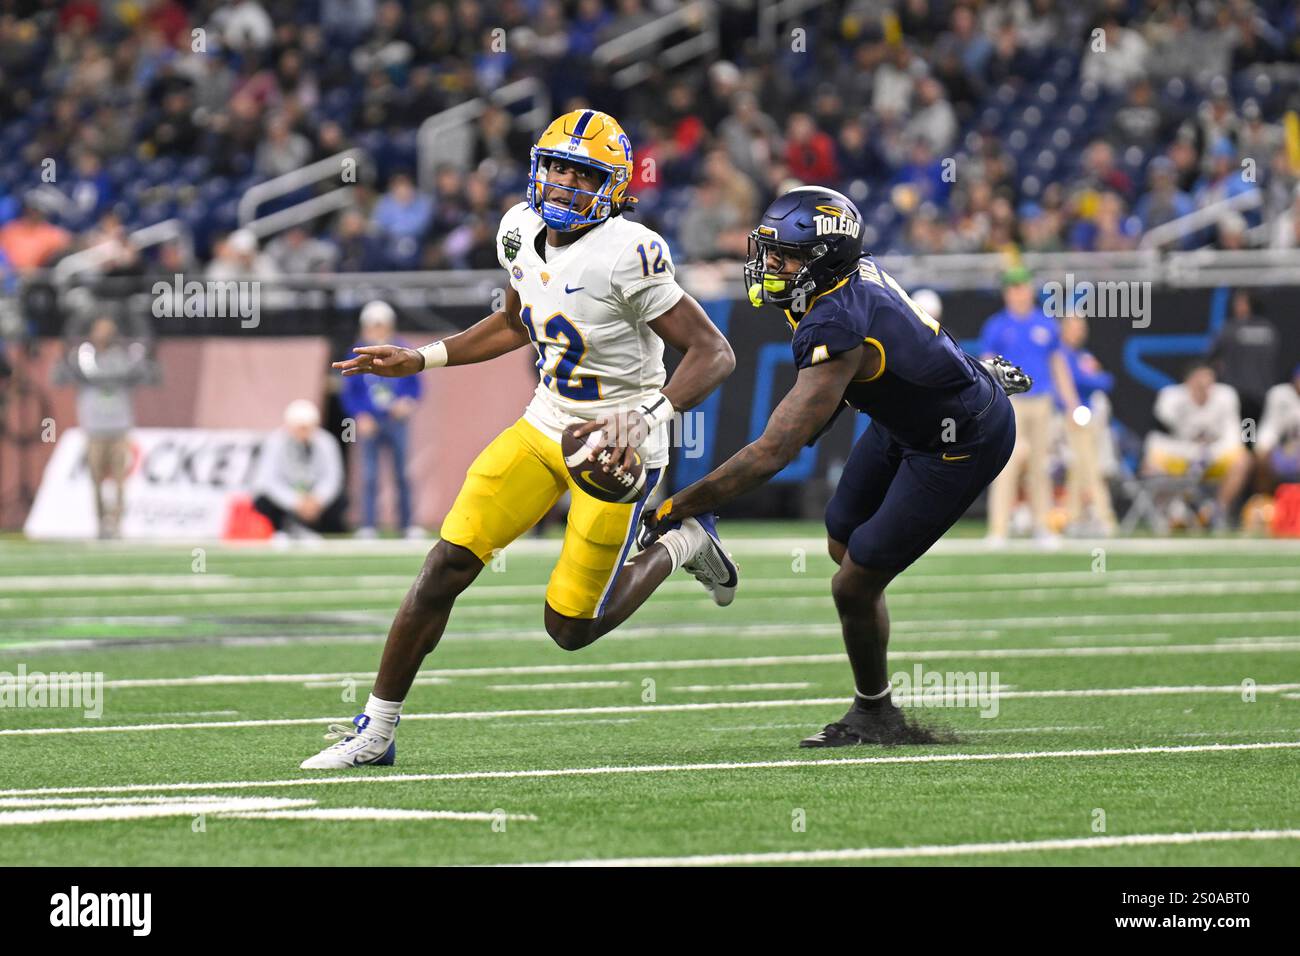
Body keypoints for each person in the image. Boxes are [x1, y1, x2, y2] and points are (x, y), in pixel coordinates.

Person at [301, 109, 735, 770]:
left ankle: (683, 541)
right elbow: (513, 324)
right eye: (556, 167)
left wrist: (646, 416)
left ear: (614, 186)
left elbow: (714, 353)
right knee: (445, 566)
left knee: (569, 628)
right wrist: (421, 358)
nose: (563, 183)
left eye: (581, 173)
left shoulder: (631, 251)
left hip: (616, 444)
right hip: (544, 423)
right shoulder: (518, 229)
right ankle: (377, 730)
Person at [643, 186, 1028, 748]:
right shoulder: (838, 285)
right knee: (841, 538)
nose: (770, 266)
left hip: (961, 440)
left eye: (785, 256)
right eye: (769, 252)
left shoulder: (838, 320)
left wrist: (678, 506)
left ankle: (875, 712)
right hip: (907, 419)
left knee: (853, 584)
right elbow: (897, 348)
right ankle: (975, 376)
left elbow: (774, 450)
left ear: (823, 259)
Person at [978, 266, 1081, 544]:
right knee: (1006, 464)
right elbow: (987, 365)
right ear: (1006, 293)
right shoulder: (996, 325)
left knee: (1040, 465)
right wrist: (989, 401)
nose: (1017, 293)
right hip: (1011, 402)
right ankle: (998, 529)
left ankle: (1042, 527)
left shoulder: (1046, 325)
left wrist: (1071, 403)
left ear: (1029, 290)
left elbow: (1058, 365)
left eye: (1021, 287)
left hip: (1042, 401)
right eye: (1012, 288)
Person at [52, 314, 156, 538]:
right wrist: (63, 357)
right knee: (96, 478)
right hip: (94, 429)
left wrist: (148, 356)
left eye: (108, 330)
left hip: (119, 428)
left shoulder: (124, 358)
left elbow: (149, 377)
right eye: (100, 330)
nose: (103, 335)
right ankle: (100, 522)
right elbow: (59, 379)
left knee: (120, 480)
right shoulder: (82, 358)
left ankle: (116, 523)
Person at [340, 300, 423, 538]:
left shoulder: (403, 349)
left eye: (381, 325)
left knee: (402, 473)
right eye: (373, 325)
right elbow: (349, 391)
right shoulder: (356, 353)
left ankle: (407, 525)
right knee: (369, 474)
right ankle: (368, 525)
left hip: (396, 421)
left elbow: (416, 384)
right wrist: (360, 415)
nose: (377, 330)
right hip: (371, 420)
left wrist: (407, 402)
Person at [1142, 362, 1250, 529]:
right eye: (1199, 382)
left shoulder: (1226, 396)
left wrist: (1207, 454)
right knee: (1151, 464)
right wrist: (1191, 453)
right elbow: (1158, 438)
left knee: (1243, 459)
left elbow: (1235, 436)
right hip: (1180, 455)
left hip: (1214, 454)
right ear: (1188, 381)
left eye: (1208, 382)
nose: (1204, 386)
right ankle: (1171, 512)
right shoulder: (1171, 397)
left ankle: (1217, 512)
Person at [252, 399, 347, 539]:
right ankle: (281, 529)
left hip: (314, 497)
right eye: (299, 428)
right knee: (263, 501)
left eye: (307, 428)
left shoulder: (327, 442)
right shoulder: (275, 442)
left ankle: (317, 530)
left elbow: (333, 478)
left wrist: (317, 499)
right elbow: (269, 480)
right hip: (287, 497)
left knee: (341, 500)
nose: (303, 433)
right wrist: (296, 502)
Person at [1059, 314, 1117, 535]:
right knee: (1089, 467)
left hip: (1086, 418)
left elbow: (1106, 381)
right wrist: (1090, 378)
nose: (1079, 332)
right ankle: (1104, 517)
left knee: (1081, 466)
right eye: (1074, 327)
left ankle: (1073, 517)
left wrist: (1091, 378)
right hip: (1065, 417)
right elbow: (1077, 380)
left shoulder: (1082, 355)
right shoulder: (1060, 354)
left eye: (1081, 328)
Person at [1208, 291, 1278, 427]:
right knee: (1254, 428)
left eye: (1239, 302)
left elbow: (1211, 357)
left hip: (1237, 391)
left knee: (1241, 429)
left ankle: (1247, 440)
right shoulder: (1269, 329)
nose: (1236, 306)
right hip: (1262, 391)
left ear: (1249, 304)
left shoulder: (1229, 329)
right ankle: (1250, 440)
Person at [1254, 364, 1300, 493]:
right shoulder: (1279, 394)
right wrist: (1263, 447)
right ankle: (1264, 497)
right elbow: (1270, 426)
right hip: (1282, 448)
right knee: (1261, 456)